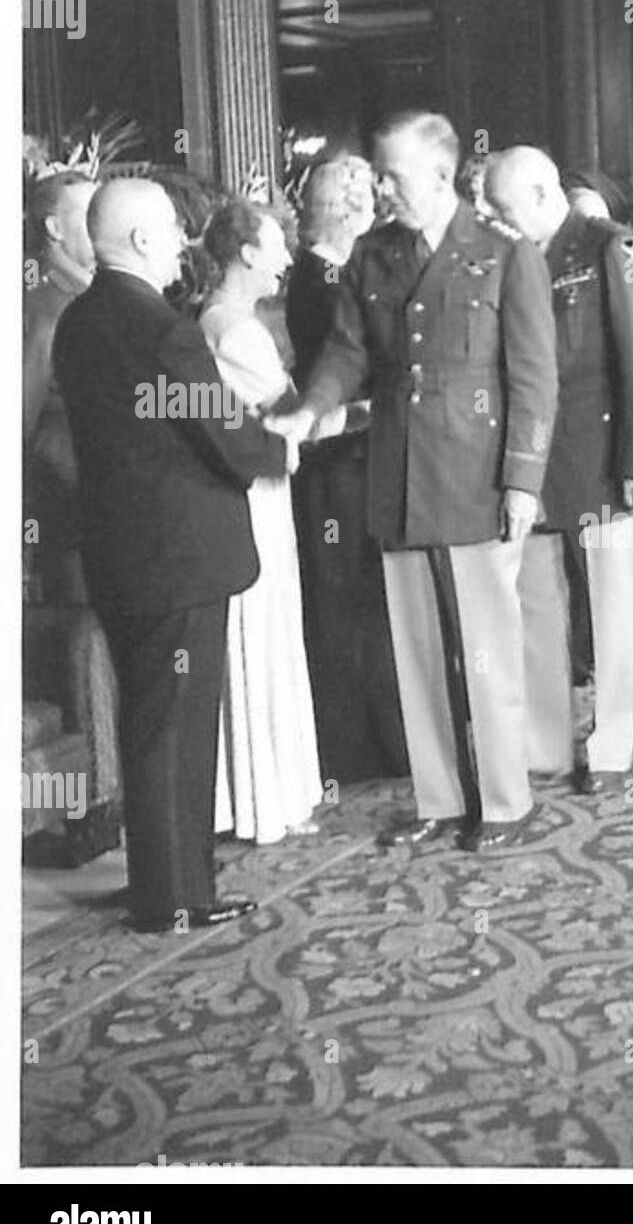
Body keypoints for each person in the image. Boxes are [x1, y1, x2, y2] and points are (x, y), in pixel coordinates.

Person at [274, 111, 558, 853]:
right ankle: (439, 797)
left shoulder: (504, 254)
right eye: (374, 174)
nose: (380, 189)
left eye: (392, 175)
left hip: (476, 476)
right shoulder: (371, 256)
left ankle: (503, 801)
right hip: (397, 475)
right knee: (417, 649)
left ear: (440, 175)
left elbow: (533, 378)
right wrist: (309, 410)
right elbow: (345, 350)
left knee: (487, 648)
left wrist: (523, 481)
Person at [54, 178, 295, 932]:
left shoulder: (78, 322)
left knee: (148, 721)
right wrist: (279, 447)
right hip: (181, 558)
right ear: (145, 241)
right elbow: (218, 430)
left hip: (122, 555)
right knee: (177, 728)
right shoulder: (161, 328)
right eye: (173, 234)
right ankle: (175, 896)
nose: (184, 248)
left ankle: (169, 883)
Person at [484, 145, 633, 792]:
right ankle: (544, 741)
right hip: (536, 465)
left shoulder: (609, 247)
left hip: (604, 462)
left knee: (612, 612)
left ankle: (610, 745)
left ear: (543, 196)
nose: (495, 220)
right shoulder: (513, 259)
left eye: (503, 208)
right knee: (541, 611)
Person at [200, 199, 329, 844]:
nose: (284, 259)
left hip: (249, 491)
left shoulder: (220, 321)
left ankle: (254, 798)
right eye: (276, 246)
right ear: (246, 252)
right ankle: (266, 801)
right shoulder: (237, 331)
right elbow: (292, 415)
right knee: (263, 636)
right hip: (257, 494)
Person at [286, 157, 409, 786]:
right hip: (335, 464)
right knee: (346, 606)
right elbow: (331, 371)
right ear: (338, 206)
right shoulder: (319, 277)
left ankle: (382, 739)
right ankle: (355, 748)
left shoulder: (339, 269)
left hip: (356, 455)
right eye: (362, 189)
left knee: (370, 605)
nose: (377, 199)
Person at [23, 170, 97, 604]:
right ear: (53, 228)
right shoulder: (46, 305)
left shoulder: (82, 294)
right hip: (67, 500)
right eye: (89, 214)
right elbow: (23, 415)